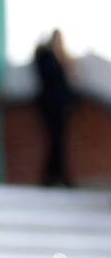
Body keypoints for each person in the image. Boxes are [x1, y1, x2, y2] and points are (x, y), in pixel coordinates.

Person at [35, 29, 75, 187]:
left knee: (58, 142)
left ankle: (54, 176)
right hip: (51, 106)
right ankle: (53, 177)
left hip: (61, 106)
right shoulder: (46, 56)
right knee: (55, 141)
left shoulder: (61, 59)